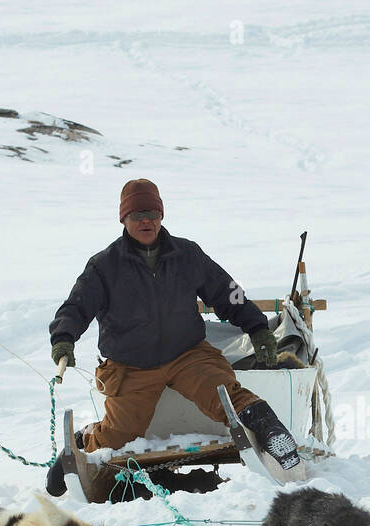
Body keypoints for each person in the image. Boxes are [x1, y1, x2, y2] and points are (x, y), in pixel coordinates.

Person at [45, 178, 299, 495]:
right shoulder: (104, 266)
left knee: (223, 393)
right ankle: (84, 441)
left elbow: (227, 292)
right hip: (131, 366)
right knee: (119, 435)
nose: (146, 221)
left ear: (162, 215)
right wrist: (64, 338)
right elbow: (76, 306)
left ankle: (269, 429)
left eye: (152, 212)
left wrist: (258, 328)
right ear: (123, 219)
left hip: (187, 354)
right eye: (137, 215)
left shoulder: (187, 254)